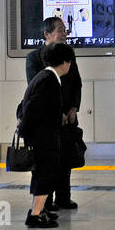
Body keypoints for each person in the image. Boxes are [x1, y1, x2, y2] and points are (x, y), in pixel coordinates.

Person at [25, 16, 81, 211]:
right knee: (45, 164)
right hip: (47, 119)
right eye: (60, 29)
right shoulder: (34, 58)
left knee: (66, 159)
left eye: (65, 29)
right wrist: (59, 112)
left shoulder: (69, 55)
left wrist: (73, 108)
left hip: (68, 116)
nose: (64, 33)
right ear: (47, 34)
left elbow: (76, 84)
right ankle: (43, 205)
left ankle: (63, 197)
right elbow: (38, 88)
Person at [18, 42, 75, 228]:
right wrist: (26, 131)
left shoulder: (44, 76)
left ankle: (39, 209)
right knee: (46, 174)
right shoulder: (49, 80)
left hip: (41, 136)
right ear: (65, 62)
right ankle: (35, 215)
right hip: (44, 137)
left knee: (42, 174)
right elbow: (32, 109)